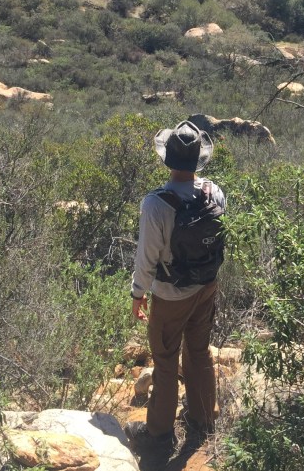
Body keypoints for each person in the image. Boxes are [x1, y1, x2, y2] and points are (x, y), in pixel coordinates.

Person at [125, 120, 226, 464]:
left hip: (170, 294)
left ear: (168, 159)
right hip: (206, 286)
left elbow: (147, 257)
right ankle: (202, 419)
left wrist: (138, 293)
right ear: (198, 159)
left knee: (165, 361)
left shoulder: (157, 203)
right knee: (198, 352)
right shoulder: (215, 192)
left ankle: (157, 434)